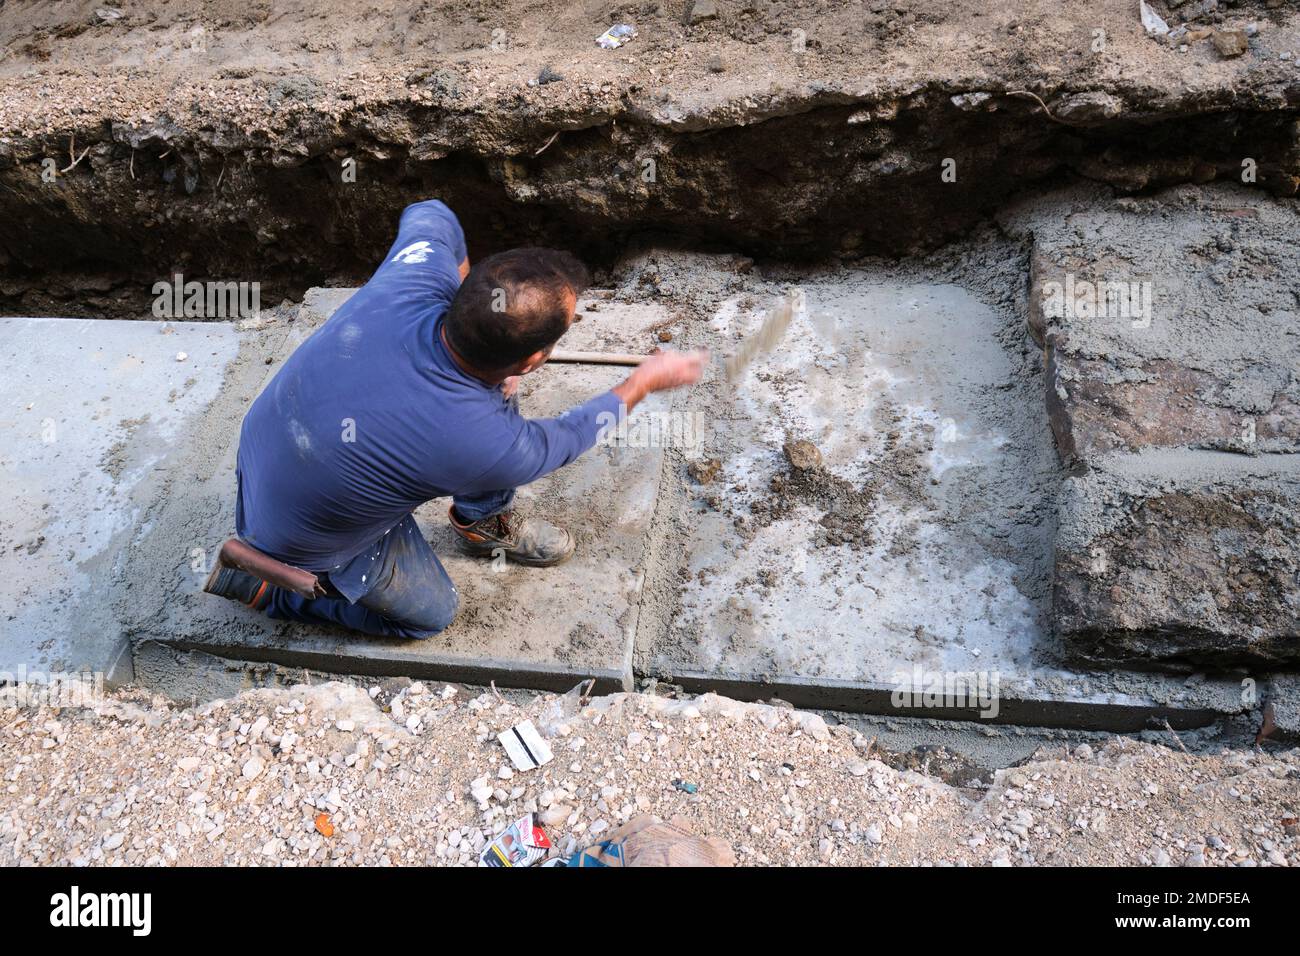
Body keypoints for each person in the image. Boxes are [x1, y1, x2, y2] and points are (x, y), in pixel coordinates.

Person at [204, 199, 706, 638]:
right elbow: (572, 435)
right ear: (532, 359)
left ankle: (480, 520)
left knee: (491, 401)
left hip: (276, 452)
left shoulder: (416, 275)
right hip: (303, 537)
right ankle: (267, 589)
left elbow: (431, 211)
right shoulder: (489, 444)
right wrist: (642, 382)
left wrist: (487, 352)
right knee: (430, 616)